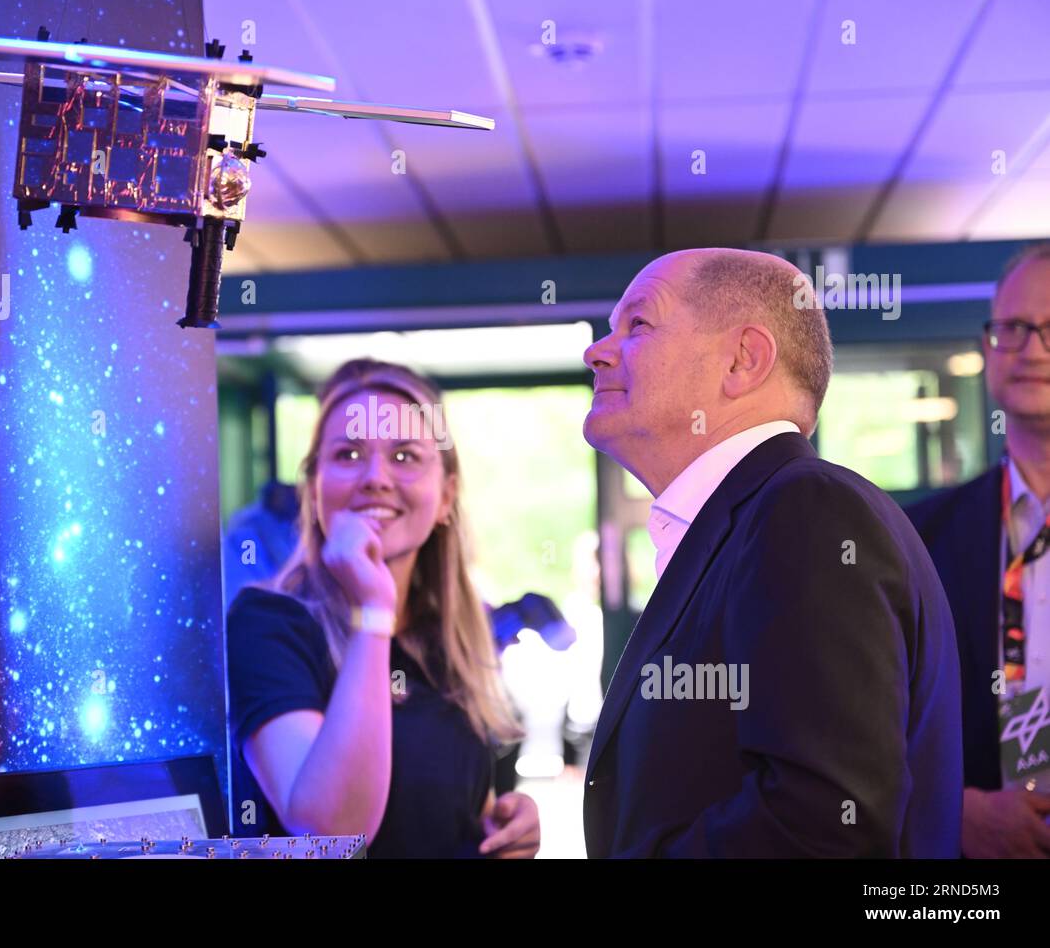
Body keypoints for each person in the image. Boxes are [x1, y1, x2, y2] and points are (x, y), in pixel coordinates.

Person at [580, 247, 962, 857]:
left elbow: (822, 825)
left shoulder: (805, 510)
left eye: (639, 325)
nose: (596, 351)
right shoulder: (758, 517)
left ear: (743, 360)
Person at [226, 359, 540, 858]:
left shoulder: (458, 633)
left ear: (446, 496)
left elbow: (450, 807)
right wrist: (372, 611)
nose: (376, 477)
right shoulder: (266, 624)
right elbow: (330, 831)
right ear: (314, 488)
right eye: (349, 454)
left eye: (405, 456)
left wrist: (506, 821)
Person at [907, 243, 1050, 858]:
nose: (1032, 350)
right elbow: (872, 730)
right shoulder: (918, 538)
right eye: (1013, 328)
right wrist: (950, 813)